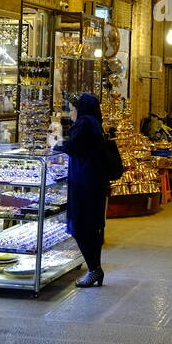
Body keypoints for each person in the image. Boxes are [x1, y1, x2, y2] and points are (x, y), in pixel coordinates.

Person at [53, 93, 108, 288]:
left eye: (73, 109)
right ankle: (96, 269)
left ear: (81, 109)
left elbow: (73, 147)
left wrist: (57, 144)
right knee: (91, 228)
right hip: (94, 182)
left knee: (81, 227)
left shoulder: (84, 123)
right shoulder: (94, 122)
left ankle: (94, 269)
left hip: (85, 183)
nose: (72, 113)